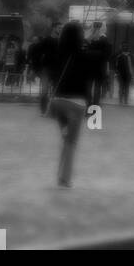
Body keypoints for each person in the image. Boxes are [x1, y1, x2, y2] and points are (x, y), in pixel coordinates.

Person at [48, 21, 98, 188]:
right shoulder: (85, 56)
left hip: (57, 103)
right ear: (80, 36)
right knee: (71, 142)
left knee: (65, 139)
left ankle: (60, 175)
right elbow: (95, 74)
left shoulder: (57, 53)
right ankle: (64, 179)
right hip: (76, 104)